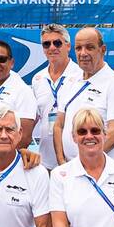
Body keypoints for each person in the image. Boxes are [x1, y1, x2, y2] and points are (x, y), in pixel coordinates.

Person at [51, 27, 114, 165]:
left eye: (89, 47)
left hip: (106, 168)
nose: (83, 53)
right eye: (78, 48)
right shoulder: (69, 81)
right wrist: (61, 160)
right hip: (72, 168)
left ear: (102, 50)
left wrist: (84, 162)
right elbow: (59, 125)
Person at [30, 24, 82, 154]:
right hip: (45, 157)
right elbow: (34, 118)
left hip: (75, 156)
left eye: (57, 43)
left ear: (68, 46)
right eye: (46, 44)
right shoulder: (37, 79)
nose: (52, 47)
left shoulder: (81, 76)